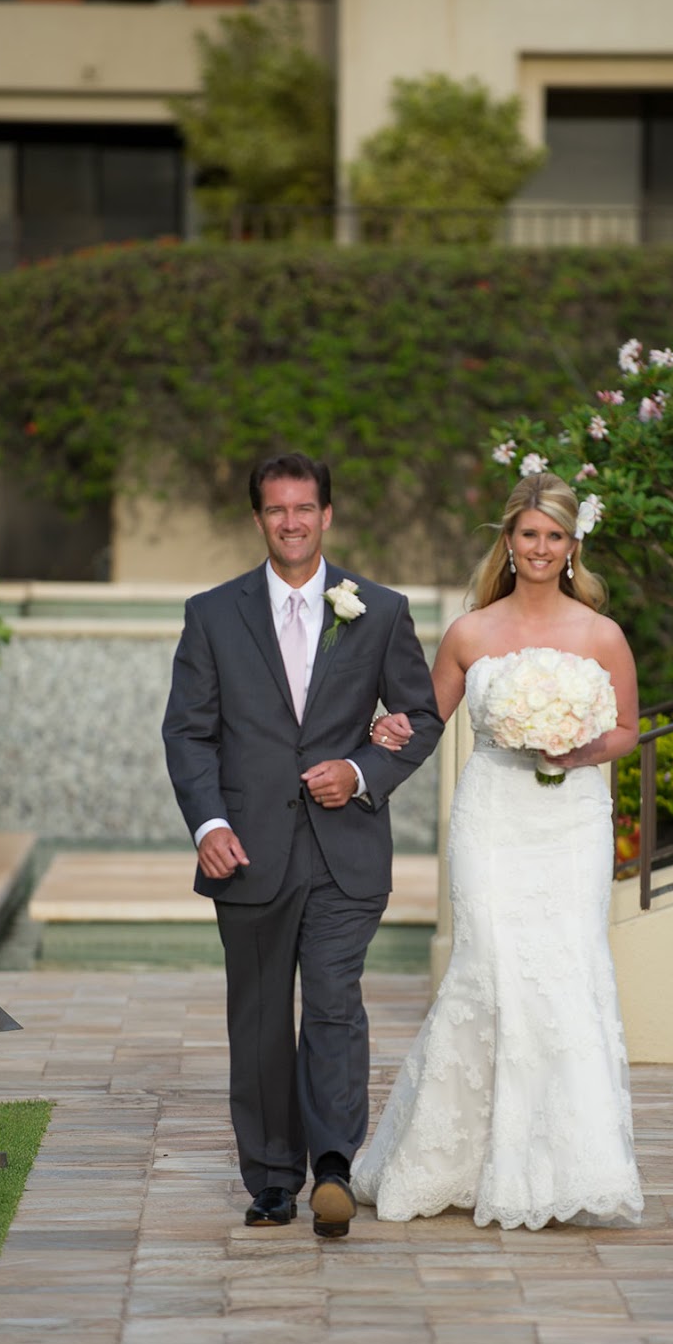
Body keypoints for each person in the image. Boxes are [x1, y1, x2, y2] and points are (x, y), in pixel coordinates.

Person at [351, 471, 645, 1231]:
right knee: (487, 968)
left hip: (571, 822)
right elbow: (424, 719)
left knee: (565, 975)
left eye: (554, 536)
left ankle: (564, 1167)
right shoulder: (470, 633)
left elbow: (625, 732)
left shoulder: (601, 635)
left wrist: (575, 749)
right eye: (528, 535)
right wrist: (385, 733)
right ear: (508, 543)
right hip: (491, 820)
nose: (540, 548)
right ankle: (450, 1160)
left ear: (572, 546)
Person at [162, 452, 443, 1238]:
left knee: (331, 1003)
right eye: (276, 509)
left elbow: (419, 718)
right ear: (258, 519)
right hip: (245, 849)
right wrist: (209, 825)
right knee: (256, 1020)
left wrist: (358, 770)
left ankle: (332, 1167)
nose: (291, 521)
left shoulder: (378, 610)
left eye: (305, 507)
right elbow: (187, 733)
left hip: (343, 850)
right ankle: (271, 1182)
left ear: (327, 514)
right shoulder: (211, 613)